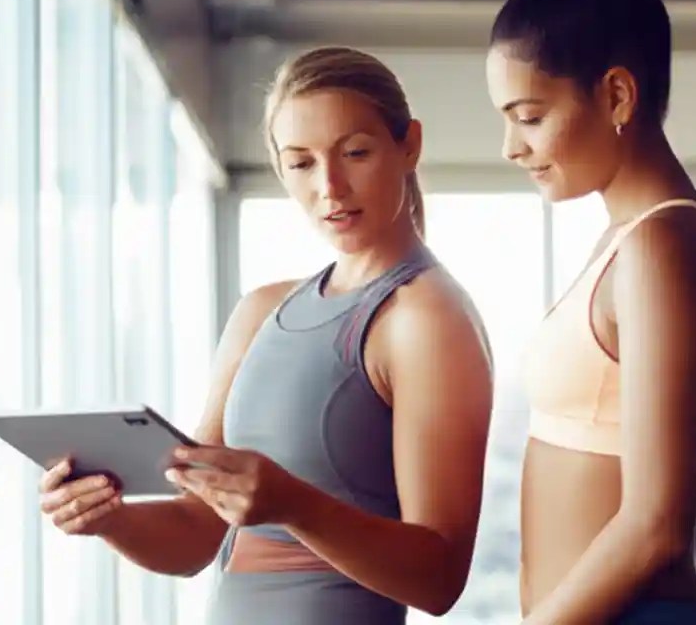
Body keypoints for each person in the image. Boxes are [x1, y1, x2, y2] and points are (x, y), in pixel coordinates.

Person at [37, 45, 494, 624]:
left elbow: (438, 580)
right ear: (280, 169)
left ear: (409, 145)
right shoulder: (261, 311)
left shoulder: (426, 319)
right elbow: (197, 534)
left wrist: (295, 504)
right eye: (301, 163)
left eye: (354, 152)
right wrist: (107, 517)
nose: (330, 185)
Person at [485, 0, 696, 625]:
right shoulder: (634, 242)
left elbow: (660, 525)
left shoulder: (665, 246)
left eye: (529, 115)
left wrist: (661, 600)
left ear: (617, 96)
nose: (511, 145)